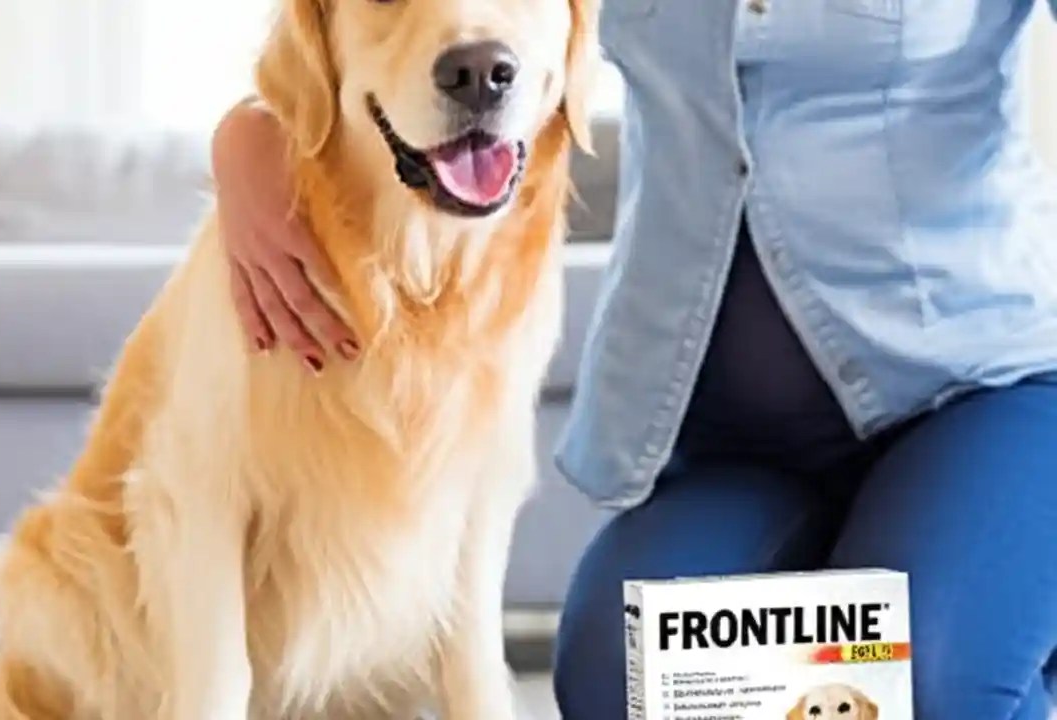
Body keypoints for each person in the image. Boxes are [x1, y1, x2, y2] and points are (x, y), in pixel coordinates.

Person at [211, 1, 1057, 717]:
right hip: (737, 447)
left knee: (925, 675)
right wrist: (249, 136)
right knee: (619, 677)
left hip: (981, 393)